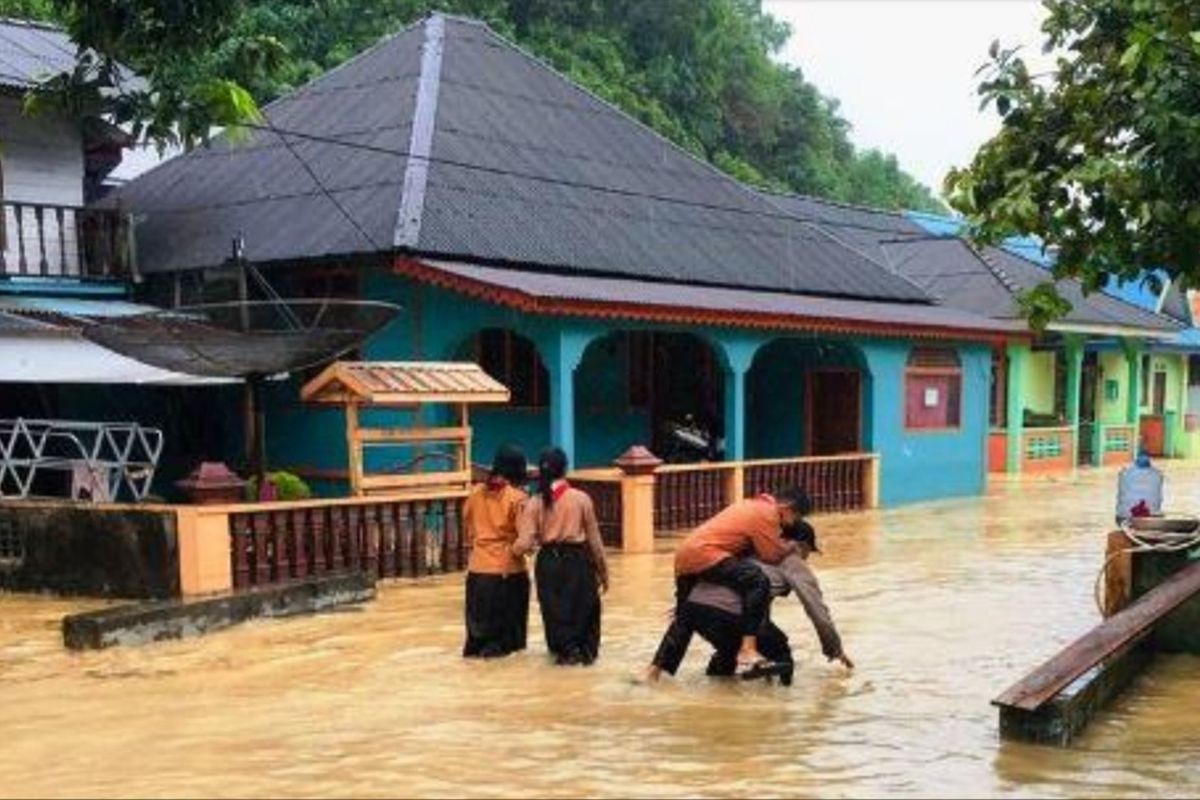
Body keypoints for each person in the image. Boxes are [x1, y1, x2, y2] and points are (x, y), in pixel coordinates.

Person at [648, 521, 853, 684]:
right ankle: (778, 709)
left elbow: (755, 607)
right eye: (809, 552)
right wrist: (835, 649)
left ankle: (718, 694)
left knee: (728, 651)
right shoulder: (792, 559)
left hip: (694, 608)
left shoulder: (747, 548)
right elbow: (816, 610)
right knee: (781, 650)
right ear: (802, 545)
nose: (807, 558)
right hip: (729, 613)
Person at [672, 487, 809, 678]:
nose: (792, 523)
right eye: (796, 517)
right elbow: (770, 555)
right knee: (757, 580)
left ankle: (653, 672)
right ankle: (748, 648)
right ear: (787, 508)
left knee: (683, 619)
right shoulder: (769, 514)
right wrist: (792, 546)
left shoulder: (751, 504)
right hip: (706, 554)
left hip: (685, 555)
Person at [513, 447, 609, 665]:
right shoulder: (581, 499)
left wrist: (511, 550)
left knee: (556, 615)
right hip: (579, 563)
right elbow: (595, 542)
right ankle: (583, 661)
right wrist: (604, 573)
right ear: (565, 469)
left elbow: (525, 542)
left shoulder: (534, 503)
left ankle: (565, 657)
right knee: (584, 613)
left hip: (548, 565)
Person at [462, 444, 530, 658]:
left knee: (475, 644)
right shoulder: (518, 498)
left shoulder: (474, 494)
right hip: (506, 576)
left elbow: (468, 528)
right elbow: (524, 541)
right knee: (506, 648)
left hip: (476, 574)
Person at [1116, 447, 1164, 524]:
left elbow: (1121, 493)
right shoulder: (1157, 474)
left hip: (1124, 517)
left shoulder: (1125, 474)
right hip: (1151, 517)